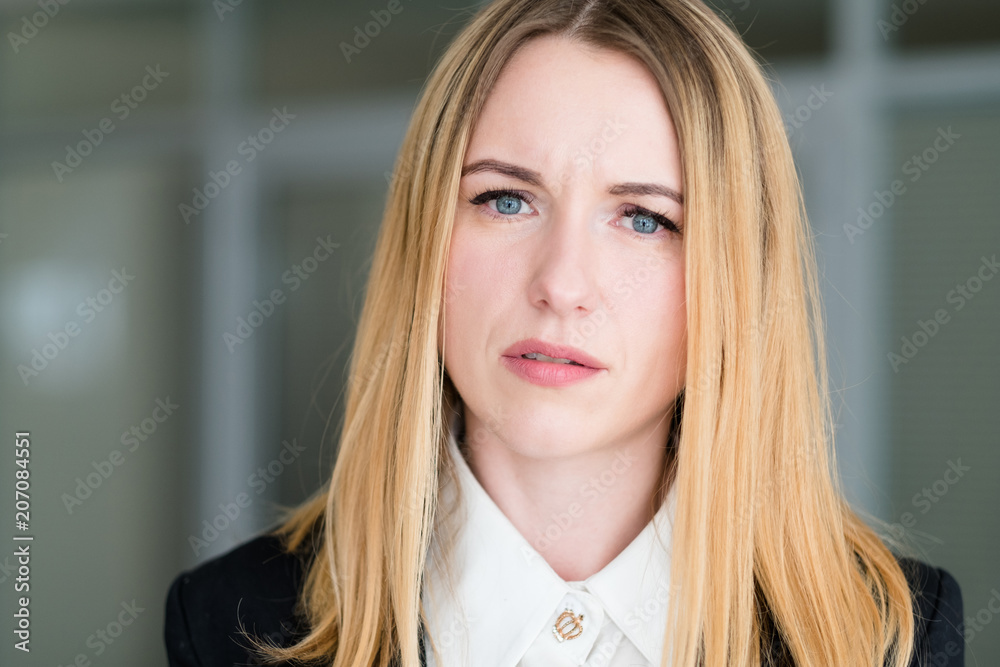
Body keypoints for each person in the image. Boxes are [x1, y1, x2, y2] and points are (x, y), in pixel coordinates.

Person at [164, 0, 964, 665]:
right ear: (425, 239)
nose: (561, 284)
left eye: (645, 218)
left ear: (733, 282)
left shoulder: (891, 632)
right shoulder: (230, 619)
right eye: (506, 200)